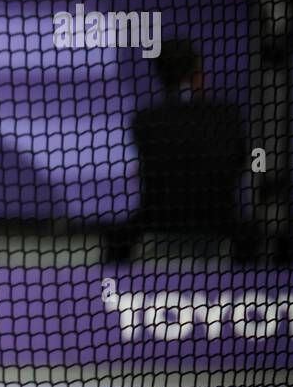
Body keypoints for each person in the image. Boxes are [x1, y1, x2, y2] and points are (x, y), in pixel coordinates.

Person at [104, 39, 253, 263]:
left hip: (158, 217)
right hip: (217, 217)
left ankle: (114, 293)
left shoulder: (145, 120)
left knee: (117, 239)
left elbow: (145, 168)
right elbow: (240, 163)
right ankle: (252, 292)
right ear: (197, 73)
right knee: (251, 236)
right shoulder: (227, 116)